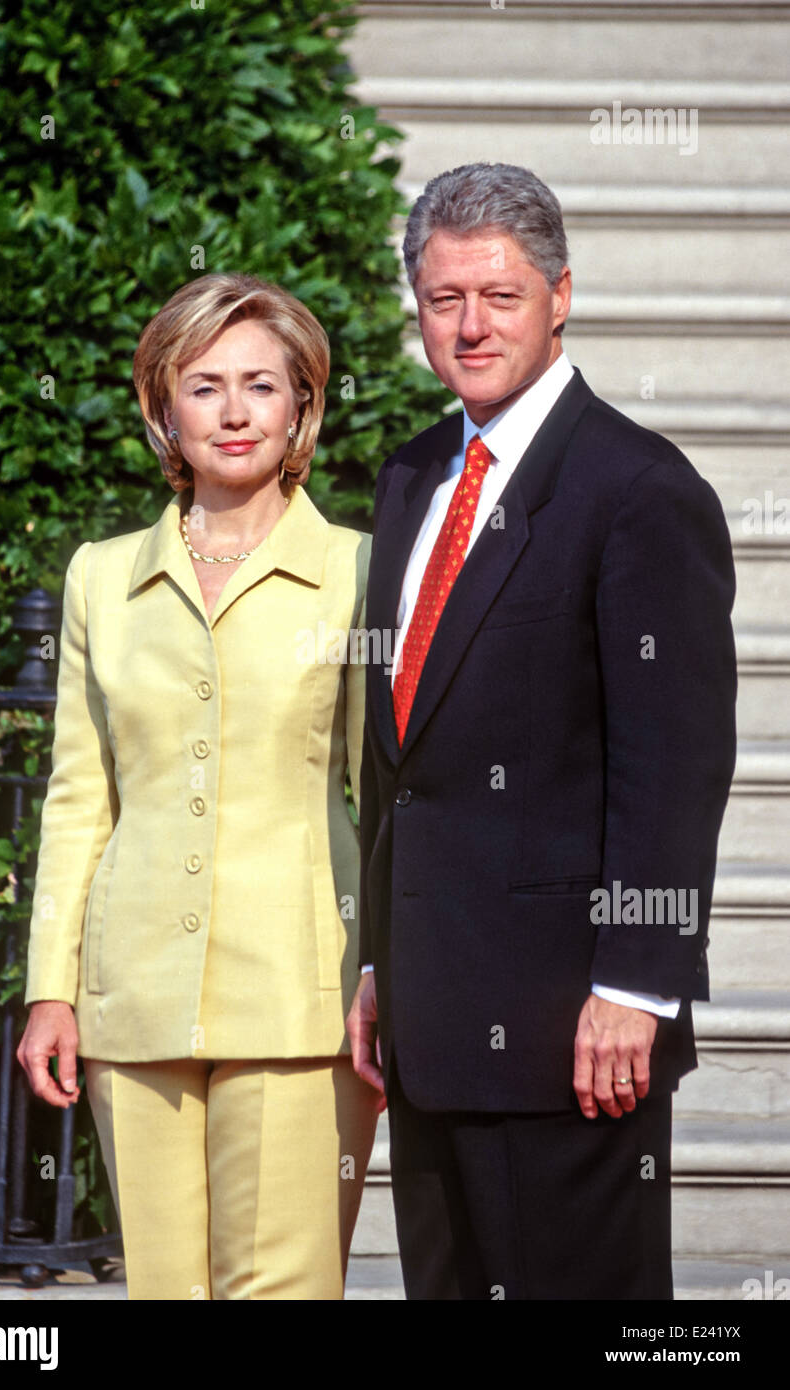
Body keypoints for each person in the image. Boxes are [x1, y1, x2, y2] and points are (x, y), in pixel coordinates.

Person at [347, 162, 737, 1300]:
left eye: (499, 296)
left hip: (574, 1029)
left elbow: (673, 762)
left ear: (560, 296)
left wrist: (639, 982)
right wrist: (380, 954)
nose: (468, 326)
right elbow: (402, 755)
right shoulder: (414, 475)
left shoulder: (638, 487)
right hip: (431, 1018)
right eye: (442, 298)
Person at [17, 272, 378, 1300]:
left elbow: (392, 798)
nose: (233, 410)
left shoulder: (360, 572)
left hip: (301, 1001)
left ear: (302, 405)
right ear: (161, 407)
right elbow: (80, 795)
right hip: (133, 997)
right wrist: (52, 986)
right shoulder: (101, 575)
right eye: (204, 383)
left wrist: (386, 971)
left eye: (261, 385)